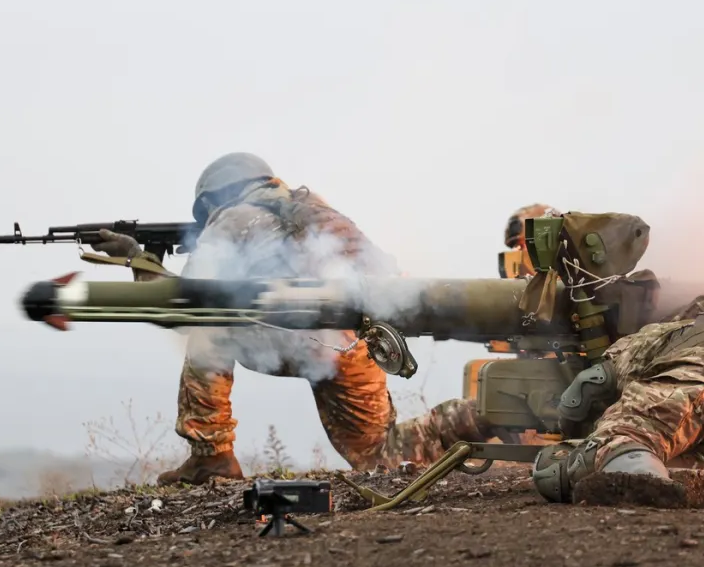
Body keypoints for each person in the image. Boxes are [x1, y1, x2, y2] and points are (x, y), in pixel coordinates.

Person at [91, 152, 498, 484]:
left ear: (215, 197)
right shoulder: (311, 208)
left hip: (291, 335)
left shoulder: (233, 218)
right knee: (380, 454)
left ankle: (210, 456)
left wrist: (136, 257)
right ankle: (491, 412)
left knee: (208, 327)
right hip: (354, 338)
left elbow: (186, 301)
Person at [517, 211, 704, 506]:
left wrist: (572, 429)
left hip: (702, 391)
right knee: (664, 459)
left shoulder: (664, 333)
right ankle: (669, 479)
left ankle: (646, 483)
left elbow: (584, 388)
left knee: (590, 453)